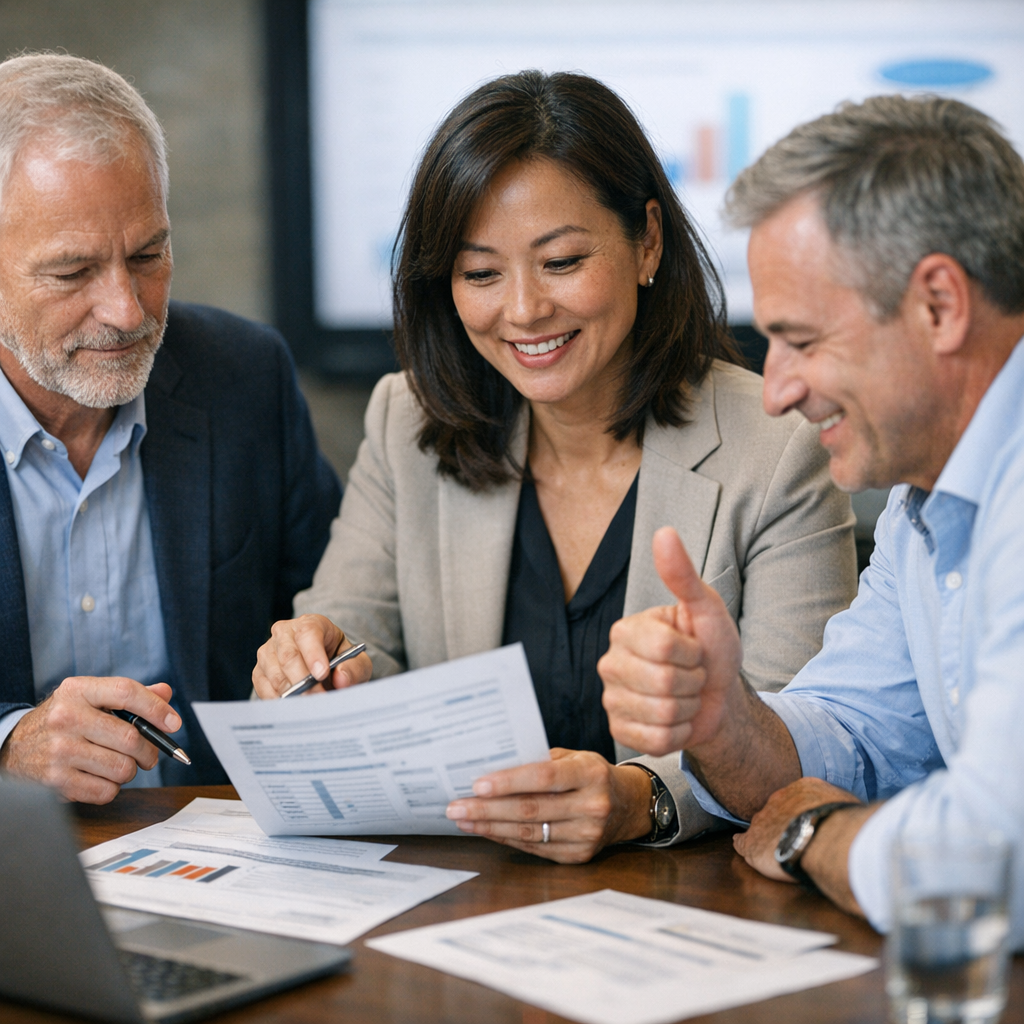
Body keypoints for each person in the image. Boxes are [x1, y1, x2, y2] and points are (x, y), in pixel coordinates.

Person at [252, 70, 857, 863]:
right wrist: (320, 669)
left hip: (694, 895)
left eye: (562, 261)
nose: (525, 310)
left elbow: (801, 739)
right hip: (467, 893)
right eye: (480, 273)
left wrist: (640, 800)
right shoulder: (407, 419)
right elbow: (358, 638)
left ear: (647, 240)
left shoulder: (777, 444)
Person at [599, 94, 1024, 943]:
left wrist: (815, 836)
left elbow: (987, 865)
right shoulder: (922, 502)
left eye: (802, 339)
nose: (779, 391)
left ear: (940, 305)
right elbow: (859, 738)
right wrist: (721, 719)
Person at [0, 54, 341, 803]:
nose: (127, 310)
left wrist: (326, 661)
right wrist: (7, 752)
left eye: (148, 255)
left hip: (221, 843)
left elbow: (338, 605)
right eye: (72, 272)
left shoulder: (245, 376)